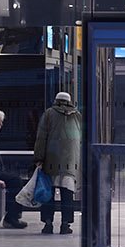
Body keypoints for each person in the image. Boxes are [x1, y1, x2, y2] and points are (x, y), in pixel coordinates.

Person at [31, 89, 83, 236]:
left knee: (49, 193)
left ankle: (48, 223)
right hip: (70, 162)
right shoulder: (77, 116)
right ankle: (65, 224)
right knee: (67, 194)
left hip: (51, 160)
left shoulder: (48, 114)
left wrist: (38, 158)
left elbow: (41, 138)